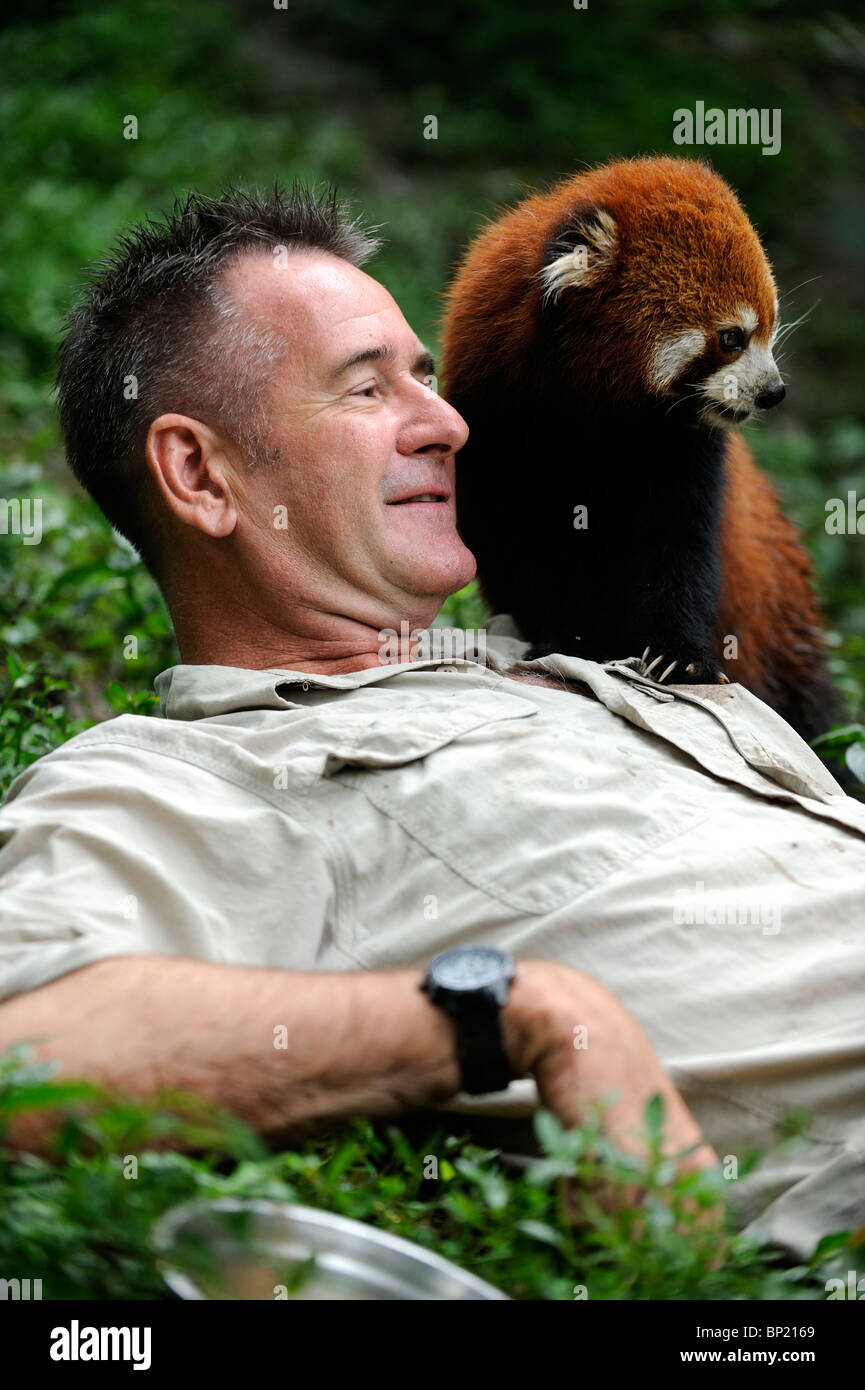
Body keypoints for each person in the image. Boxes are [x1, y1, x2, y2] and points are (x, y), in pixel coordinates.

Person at [0, 186, 863, 1260]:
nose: (448, 421)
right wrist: (503, 1013)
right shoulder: (197, 776)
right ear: (199, 473)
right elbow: (27, 1057)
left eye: (426, 375)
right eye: (368, 388)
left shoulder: (568, 652)